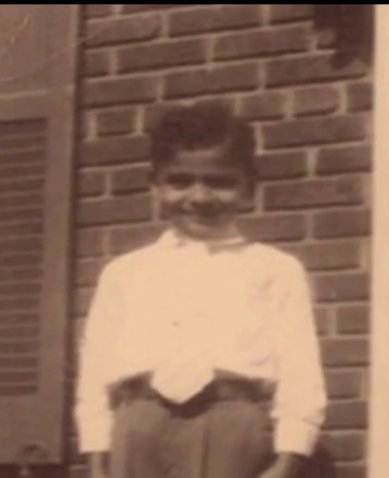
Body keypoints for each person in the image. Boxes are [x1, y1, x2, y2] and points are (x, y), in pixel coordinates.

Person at [74, 103, 326, 478]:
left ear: (249, 187)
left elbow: (300, 374)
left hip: (230, 426)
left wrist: (288, 459)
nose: (200, 197)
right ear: (155, 185)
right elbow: (95, 376)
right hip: (138, 426)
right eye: (180, 181)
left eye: (220, 182)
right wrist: (97, 460)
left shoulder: (275, 269)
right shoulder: (124, 273)